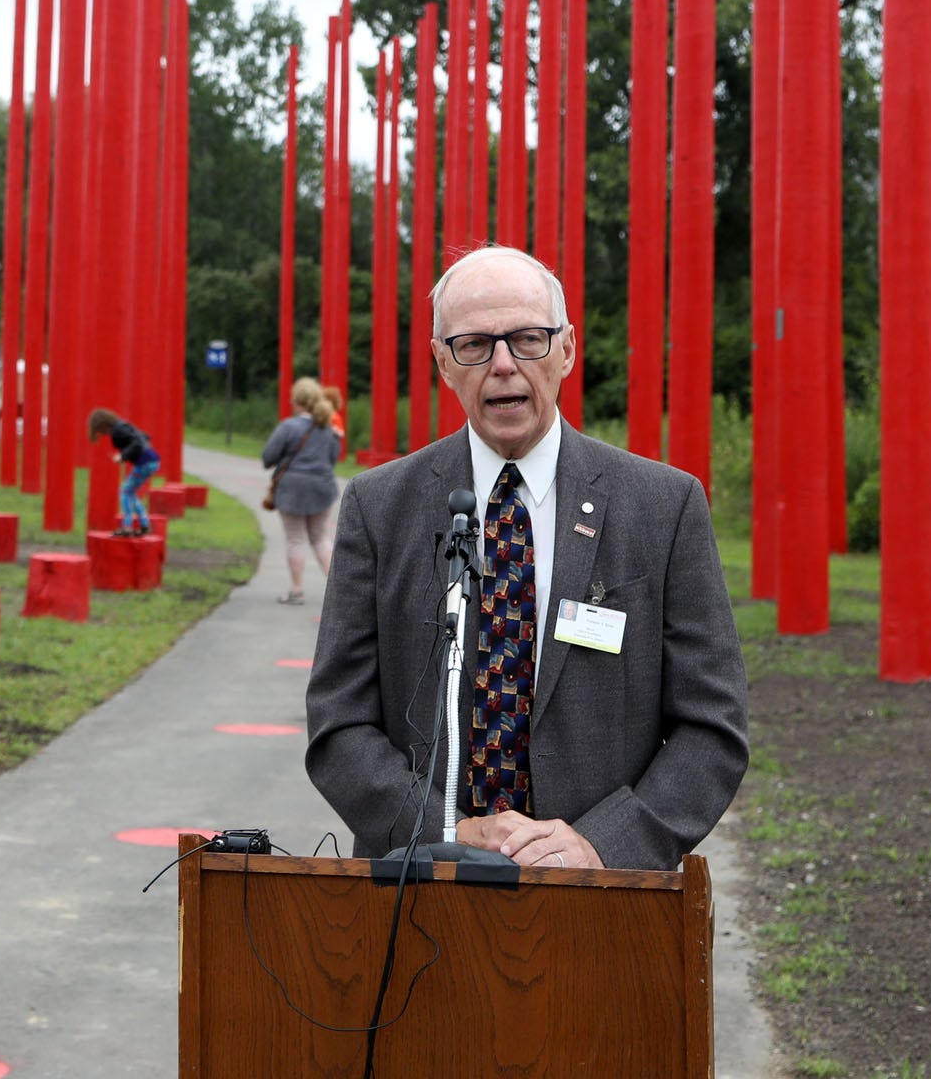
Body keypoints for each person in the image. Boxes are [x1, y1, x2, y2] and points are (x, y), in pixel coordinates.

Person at [304, 244, 748, 871]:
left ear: (566, 349)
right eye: (474, 345)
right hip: (420, 891)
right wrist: (445, 831)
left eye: (527, 339)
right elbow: (339, 724)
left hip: (600, 900)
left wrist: (604, 844)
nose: (504, 365)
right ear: (443, 362)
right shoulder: (378, 507)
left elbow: (712, 727)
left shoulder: (663, 507)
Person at [262, 377, 342, 606]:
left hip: (292, 490)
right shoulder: (328, 429)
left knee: (295, 539)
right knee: (321, 539)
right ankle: (339, 592)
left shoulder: (288, 427)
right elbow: (333, 458)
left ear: (296, 401)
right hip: (323, 488)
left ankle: (297, 591)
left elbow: (268, 457)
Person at [91, 408, 160, 538]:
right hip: (152, 461)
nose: (100, 433)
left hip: (145, 462)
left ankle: (127, 527)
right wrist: (126, 454)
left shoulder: (117, 431)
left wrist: (122, 456)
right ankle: (145, 525)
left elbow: (136, 442)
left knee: (125, 492)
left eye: (98, 429)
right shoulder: (123, 425)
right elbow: (145, 436)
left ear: (102, 425)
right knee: (130, 492)